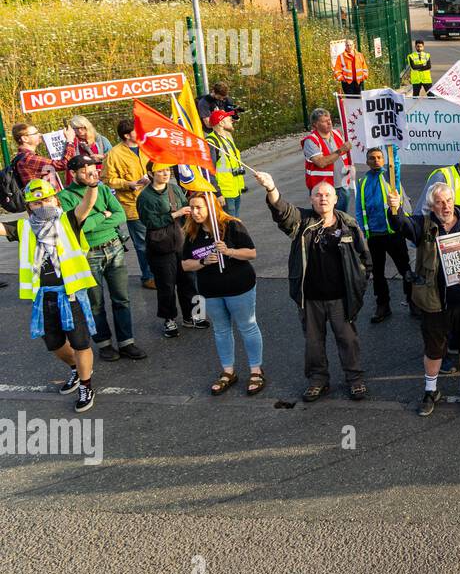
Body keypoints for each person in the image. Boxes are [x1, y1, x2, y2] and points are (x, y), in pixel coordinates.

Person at [252, 170, 371, 402]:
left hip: (341, 300)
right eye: (318, 195)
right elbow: (282, 212)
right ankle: (318, 381)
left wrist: (359, 287)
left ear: (336, 199)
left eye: (327, 194)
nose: (323, 198)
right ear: (311, 199)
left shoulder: (349, 224)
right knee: (314, 344)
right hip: (310, 299)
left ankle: (355, 380)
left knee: (348, 341)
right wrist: (271, 188)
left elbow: (365, 259)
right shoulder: (302, 222)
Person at [392, 180, 460, 417]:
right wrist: (395, 209)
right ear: (432, 206)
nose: (445, 206)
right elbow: (403, 225)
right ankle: (430, 391)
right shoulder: (424, 225)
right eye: (439, 203)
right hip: (435, 302)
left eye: (448, 200)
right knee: (434, 348)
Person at [0, 178, 102, 412]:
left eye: (46, 199)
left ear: (56, 199)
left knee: (80, 342)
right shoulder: (25, 227)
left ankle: (86, 385)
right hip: (44, 295)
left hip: (72, 293)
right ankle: (76, 369)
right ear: (29, 207)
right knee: (54, 344)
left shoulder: (68, 220)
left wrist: (93, 185)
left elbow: (86, 205)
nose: (43, 205)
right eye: (36, 203)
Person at [58, 155, 147, 362]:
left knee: (121, 298)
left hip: (114, 248)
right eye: (85, 171)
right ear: (72, 173)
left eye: (93, 170)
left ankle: (127, 343)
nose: (91, 175)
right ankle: (104, 344)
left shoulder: (104, 189)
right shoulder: (65, 197)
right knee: (95, 302)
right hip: (89, 254)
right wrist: (103, 215)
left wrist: (99, 218)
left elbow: (120, 215)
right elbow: (80, 226)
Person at [181, 190, 265, 396]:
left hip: (239, 287)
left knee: (247, 326)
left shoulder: (232, 225)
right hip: (210, 291)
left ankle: (256, 370)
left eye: (198, 207)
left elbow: (251, 253)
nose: (194, 212)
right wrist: (202, 261)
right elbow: (185, 265)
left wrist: (229, 251)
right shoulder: (192, 233)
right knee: (221, 330)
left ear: (211, 207)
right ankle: (228, 371)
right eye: (192, 207)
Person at [135, 162, 203, 339]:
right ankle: (169, 319)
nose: (165, 174)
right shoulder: (145, 197)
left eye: (167, 170)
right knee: (166, 285)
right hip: (161, 247)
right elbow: (150, 223)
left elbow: (185, 208)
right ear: (150, 173)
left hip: (182, 242)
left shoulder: (174, 188)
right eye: (160, 171)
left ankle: (196, 315)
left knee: (190, 280)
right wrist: (176, 214)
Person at [356, 147, 412, 323]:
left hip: (393, 233)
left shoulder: (390, 176)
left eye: (379, 157)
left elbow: (395, 163)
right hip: (374, 236)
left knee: (405, 270)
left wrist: (393, 146)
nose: (376, 160)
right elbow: (359, 208)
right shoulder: (363, 181)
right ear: (367, 161)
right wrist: (364, 232)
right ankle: (383, 305)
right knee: (378, 274)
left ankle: (413, 301)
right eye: (372, 158)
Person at [103, 118, 155, 289]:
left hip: (155, 200)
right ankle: (148, 277)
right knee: (142, 244)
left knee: (158, 239)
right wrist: (128, 184)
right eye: (136, 130)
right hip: (133, 204)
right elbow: (107, 179)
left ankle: (162, 272)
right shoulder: (114, 154)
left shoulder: (147, 146)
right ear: (126, 135)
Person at [301, 108, 356, 215]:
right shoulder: (311, 141)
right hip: (323, 190)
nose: (329, 122)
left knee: (341, 217)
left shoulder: (337, 133)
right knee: (324, 219)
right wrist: (341, 150)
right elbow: (321, 162)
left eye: (329, 119)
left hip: (342, 185)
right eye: (324, 121)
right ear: (315, 124)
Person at [204, 108, 246, 217]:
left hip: (235, 190)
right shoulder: (212, 142)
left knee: (235, 223)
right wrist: (217, 193)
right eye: (228, 118)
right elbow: (208, 171)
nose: (231, 120)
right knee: (228, 226)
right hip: (225, 194)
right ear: (221, 123)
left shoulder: (226, 139)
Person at [11, 121, 75, 190]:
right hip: (44, 199)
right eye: (35, 133)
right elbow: (64, 164)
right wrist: (70, 140)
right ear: (25, 139)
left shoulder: (24, 157)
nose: (40, 134)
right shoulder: (28, 159)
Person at [64, 115, 112, 182]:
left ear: (87, 126)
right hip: (84, 179)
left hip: (103, 177)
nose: (80, 131)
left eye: (82, 128)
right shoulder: (71, 143)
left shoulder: (101, 140)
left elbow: (113, 157)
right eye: (76, 128)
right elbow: (66, 161)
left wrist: (101, 157)